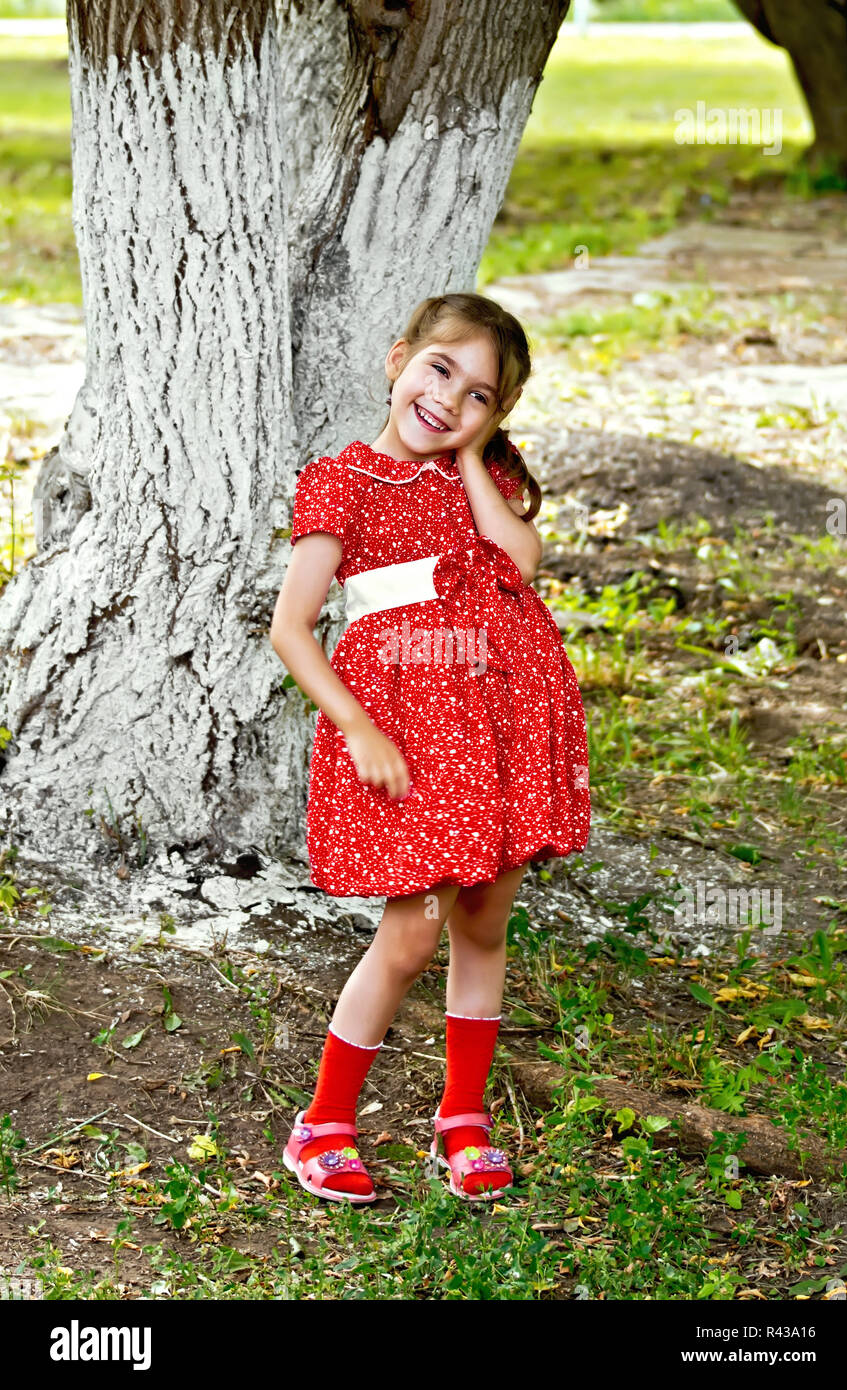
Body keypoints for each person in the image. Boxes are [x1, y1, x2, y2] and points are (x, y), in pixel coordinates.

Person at [269, 291, 591, 1204]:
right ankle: (324, 1121)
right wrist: (360, 729)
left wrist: (473, 460)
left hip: (503, 722)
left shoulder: (473, 480)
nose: (450, 399)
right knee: (410, 934)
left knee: (484, 918)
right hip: (411, 725)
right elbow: (293, 628)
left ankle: (463, 1116)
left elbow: (519, 563)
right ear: (398, 357)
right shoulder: (343, 481)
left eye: (481, 396)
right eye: (440, 369)